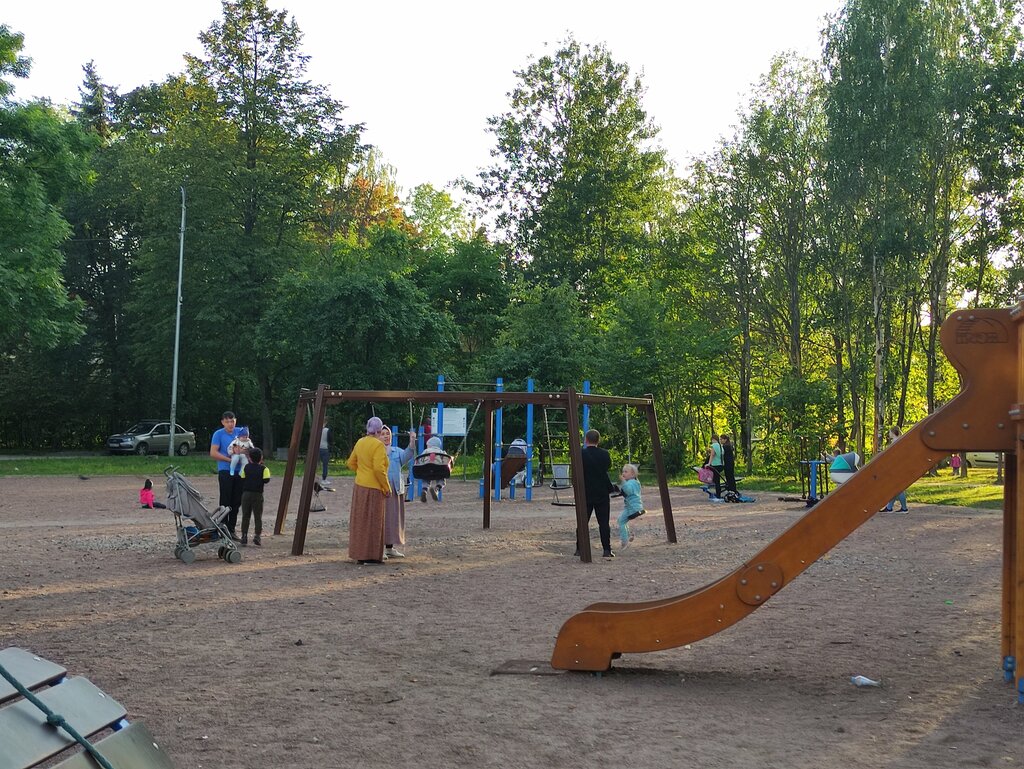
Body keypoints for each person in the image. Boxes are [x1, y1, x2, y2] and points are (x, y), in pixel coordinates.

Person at [346, 416, 391, 564]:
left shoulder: (360, 442)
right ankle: (371, 556)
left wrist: (362, 471)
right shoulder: (378, 445)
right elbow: (379, 469)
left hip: (360, 486)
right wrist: (386, 487)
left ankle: (359, 554)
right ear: (379, 430)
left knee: (360, 522)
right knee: (374, 521)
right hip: (374, 488)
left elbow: (351, 462)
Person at [578, 429, 617, 558]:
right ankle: (607, 549)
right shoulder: (605, 454)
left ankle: (579, 548)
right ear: (598, 441)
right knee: (604, 523)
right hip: (601, 493)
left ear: (586, 440)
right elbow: (606, 468)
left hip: (585, 493)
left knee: (583, 521)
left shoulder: (580, 454)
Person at [379, 426, 416, 558]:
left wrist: (412, 442)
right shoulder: (376, 451)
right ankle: (379, 549)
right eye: (382, 434)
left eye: (387, 434)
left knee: (393, 519)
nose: (385, 436)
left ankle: (390, 548)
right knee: (382, 519)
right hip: (381, 490)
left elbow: (407, 456)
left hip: (395, 490)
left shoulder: (396, 451)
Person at [210, 411, 242, 538]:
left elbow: (249, 447)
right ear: (223, 422)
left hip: (240, 471)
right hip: (225, 470)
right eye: (227, 421)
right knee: (225, 500)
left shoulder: (240, 432)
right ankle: (222, 528)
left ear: (236, 421)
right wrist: (230, 460)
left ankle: (232, 529)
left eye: (232, 421)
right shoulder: (218, 434)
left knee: (237, 500)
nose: (230, 424)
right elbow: (213, 453)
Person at [239, 447, 270, 546]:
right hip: (258, 494)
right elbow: (266, 480)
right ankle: (257, 536)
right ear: (261, 457)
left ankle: (244, 536)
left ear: (249, 458)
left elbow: (242, 477)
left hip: (246, 494)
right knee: (258, 516)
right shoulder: (264, 469)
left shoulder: (246, 467)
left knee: (245, 516)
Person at [616, 464, 644, 551]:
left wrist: (623, 482)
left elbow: (628, 491)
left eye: (626, 472)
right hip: (634, 506)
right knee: (621, 521)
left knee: (621, 521)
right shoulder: (635, 482)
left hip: (632, 507)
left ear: (632, 475)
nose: (623, 473)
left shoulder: (631, 483)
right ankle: (628, 536)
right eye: (623, 471)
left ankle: (625, 541)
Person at [884, 427, 909, 513]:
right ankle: (889, 507)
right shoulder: (900, 441)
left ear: (893, 432)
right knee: (895, 488)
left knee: (898, 489)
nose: (889, 434)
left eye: (890, 432)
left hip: (897, 468)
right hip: (898, 467)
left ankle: (904, 508)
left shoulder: (896, 442)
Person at [421, 434, 449, 502]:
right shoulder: (441, 452)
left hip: (427, 469)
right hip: (438, 470)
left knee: (425, 479)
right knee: (442, 479)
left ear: (430, 445)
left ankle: (424, 490)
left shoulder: (425, 451)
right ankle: (437, 489)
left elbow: (421, 459)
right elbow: (446, 459)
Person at [707, 434, 725, 498]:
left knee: (716, 481)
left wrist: (709, 463)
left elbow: (712, 455)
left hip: (715, 465)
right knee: (717, 480)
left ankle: (718, 495)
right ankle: (718, 493)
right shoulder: (720, 446)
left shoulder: (714, 445)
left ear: (713, 439)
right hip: (721, 465)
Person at [319, 417, 333, 485]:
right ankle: (324, 479)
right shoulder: (327, 430)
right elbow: (330, 440)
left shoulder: (317, 429)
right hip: (325, 448)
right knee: (325, 465)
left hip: (317, 448)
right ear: (326, 422)